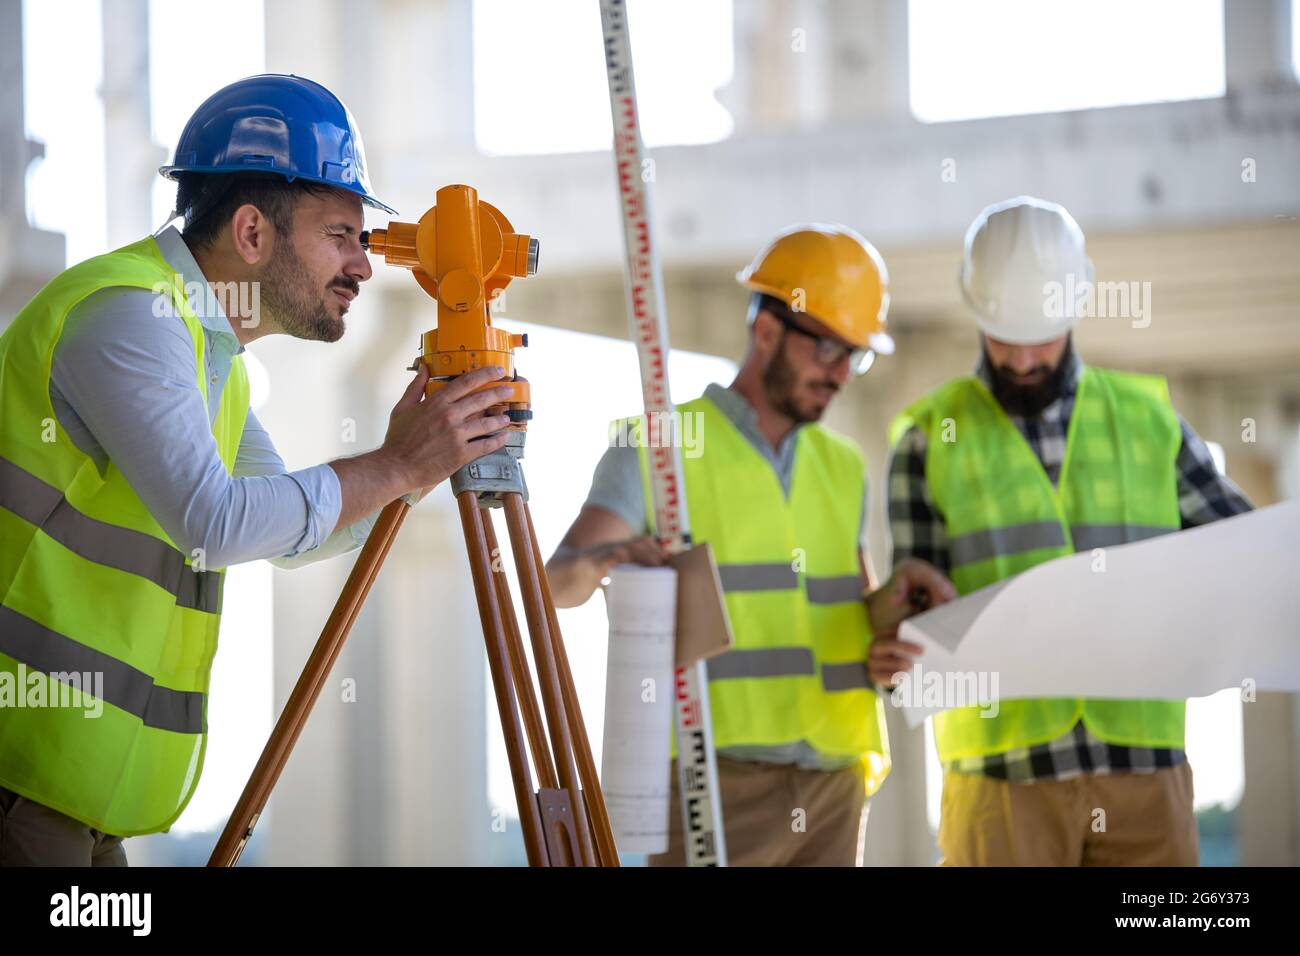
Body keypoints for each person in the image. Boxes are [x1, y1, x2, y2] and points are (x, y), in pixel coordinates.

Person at [0, 74, 514, 865]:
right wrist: (393, 461)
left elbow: (295, 538)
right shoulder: (131, 316)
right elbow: (217, 520)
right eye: (341, 235)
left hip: (78, 792)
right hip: (20, 776)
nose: (364, 266)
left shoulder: (215, 363)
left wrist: (424, 463)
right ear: (250, 232)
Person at [547, 224, 954, 866]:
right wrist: (612, 561)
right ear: (767, 331)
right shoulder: (659, 446)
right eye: (827, 350)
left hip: (836, 782)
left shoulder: (843, 465)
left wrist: (892, 609)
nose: (842, 373)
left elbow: (848, 609)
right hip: (714, 783)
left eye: (856, 355)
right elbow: (554, 588)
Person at [885, 195, 1252, 866]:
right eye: (1003, 337)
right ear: (975, 314)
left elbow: (1247, 557)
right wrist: (894, 647)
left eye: (1040, 337)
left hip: (1144, 769)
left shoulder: (1150, 423)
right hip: (1000, 783)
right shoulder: (926, 441)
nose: (1023, 359)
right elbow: (912, 621)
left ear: (1076, 309)